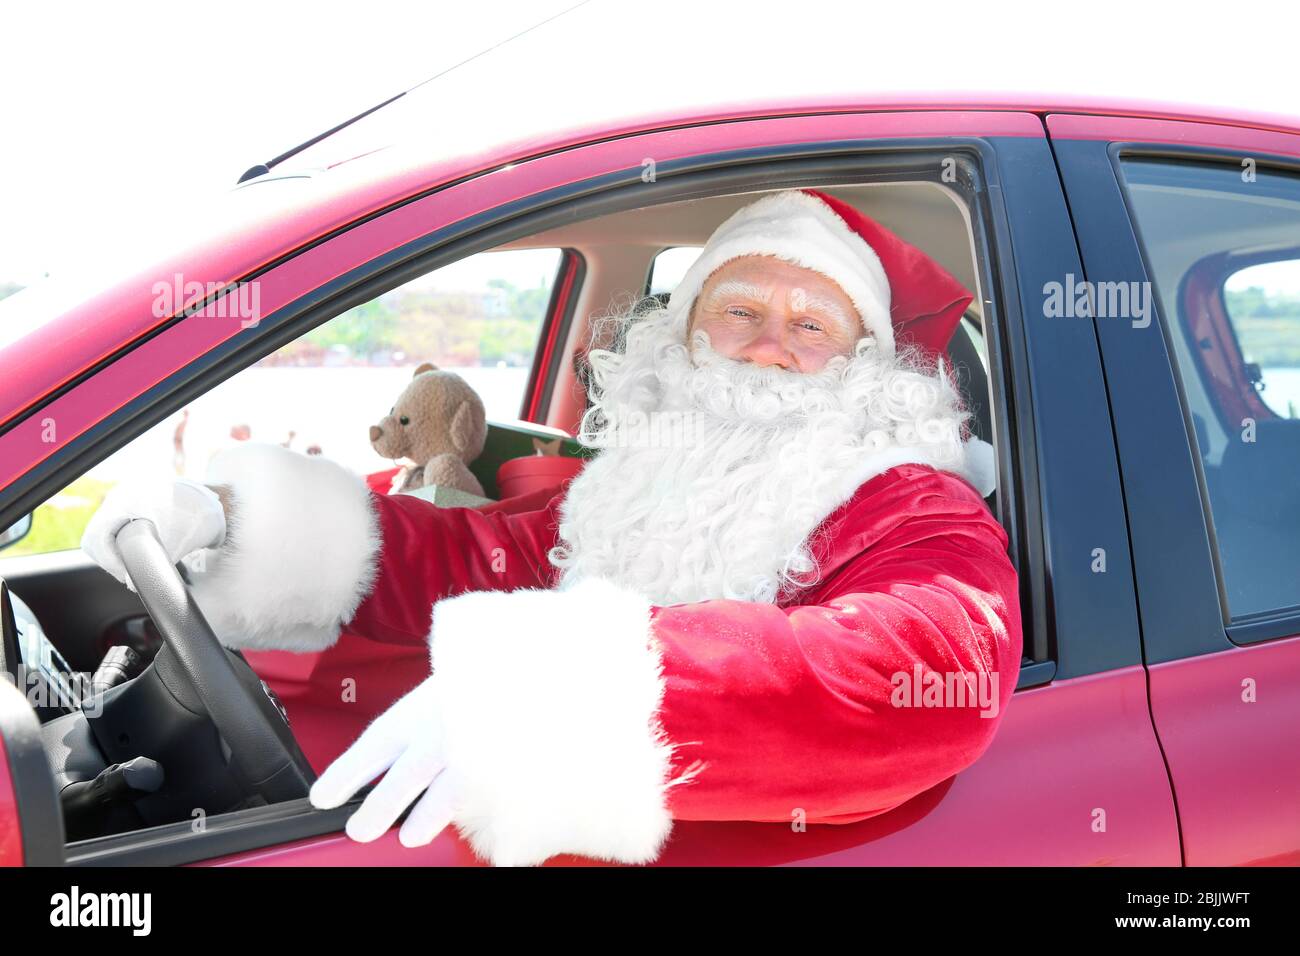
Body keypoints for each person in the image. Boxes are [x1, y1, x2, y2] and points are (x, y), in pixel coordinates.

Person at [81, 188, 1021, 867]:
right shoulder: (637, 478)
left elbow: (932, 662)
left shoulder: (901, 498)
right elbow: (475, 558)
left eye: (812, 328)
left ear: (862, 368)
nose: (771, 346)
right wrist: (233, 521)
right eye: (738, 312)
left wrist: (555, 691)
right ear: (686, 335)